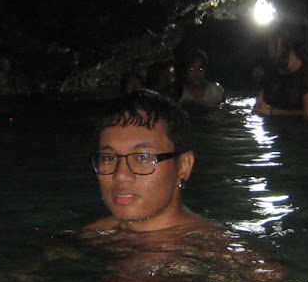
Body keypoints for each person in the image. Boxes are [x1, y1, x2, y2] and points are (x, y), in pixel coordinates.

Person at [84, 90, 216, 236]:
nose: (121, 175)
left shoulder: (219, 253)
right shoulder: (86, 239)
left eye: (142, 157)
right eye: (109, 158)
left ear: (184, 166)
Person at [255, 39, 308, 118]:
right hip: (273, 124)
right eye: (270, 44)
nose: (270, 49)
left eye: (274, 44)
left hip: (297, 126)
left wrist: (272, 112)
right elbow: (259, 105)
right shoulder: (270, 71)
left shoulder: (307, 72)